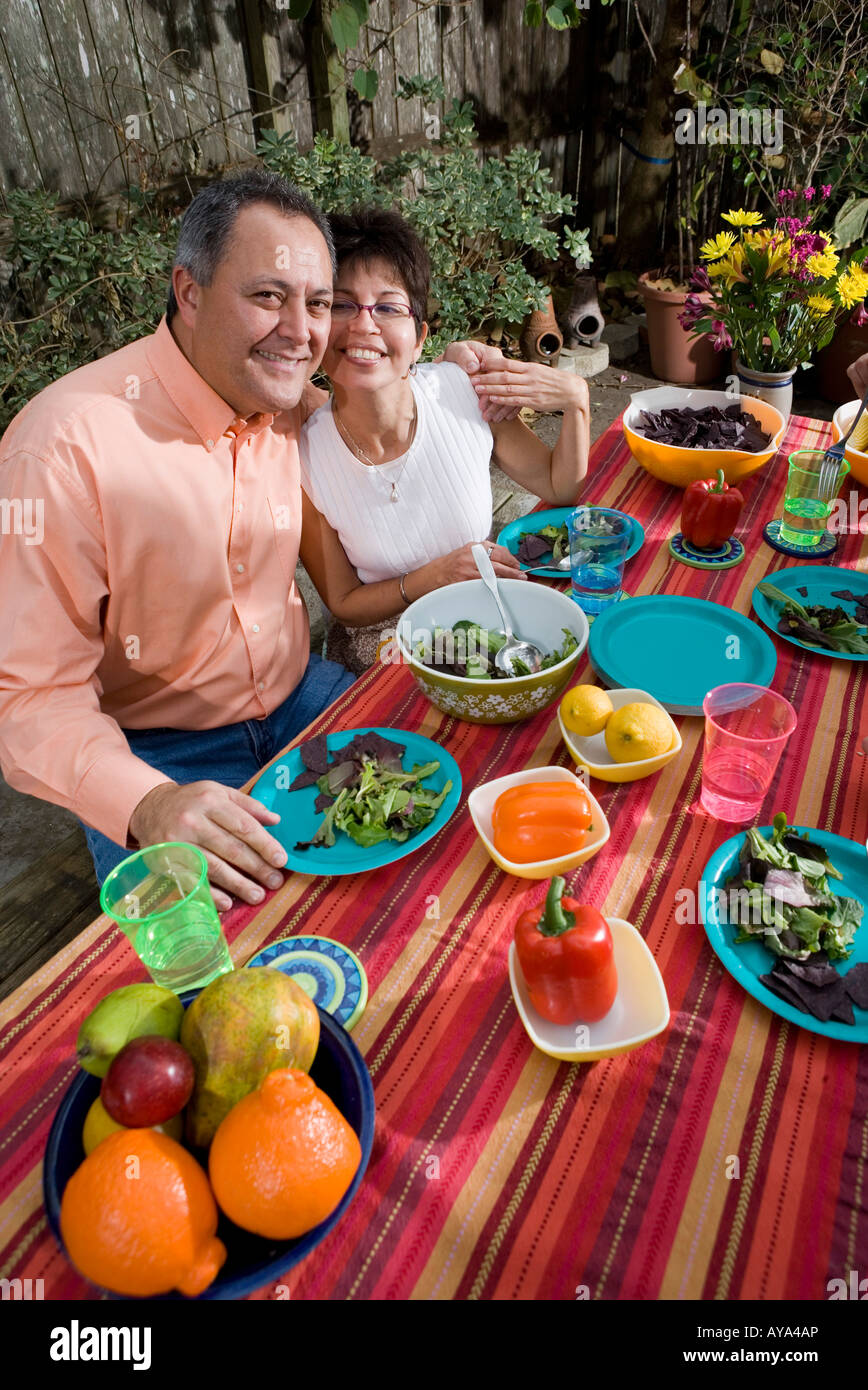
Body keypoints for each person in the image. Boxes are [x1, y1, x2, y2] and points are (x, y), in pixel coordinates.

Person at [0, 171, 357, 910]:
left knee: (441, 822)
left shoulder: (288, 394)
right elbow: (29, 695)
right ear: (188, 292)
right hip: (160, 752)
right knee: (222, 986)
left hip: (303, 697)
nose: (300, 331)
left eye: (317, 303)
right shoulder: (60, 449)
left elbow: (385, 413)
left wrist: (455, 380)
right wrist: (148, 803)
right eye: (267, 296)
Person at [298, 207, 591, 674]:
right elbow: (344, 602)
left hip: (486, 620)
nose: (363, 325)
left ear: (419, 339)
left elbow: (560, 486)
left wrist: (576, 401)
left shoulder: (462, 392)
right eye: (341, 304)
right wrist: (434, 576)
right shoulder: (303, 460)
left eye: (389, 307)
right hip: (384, 648)